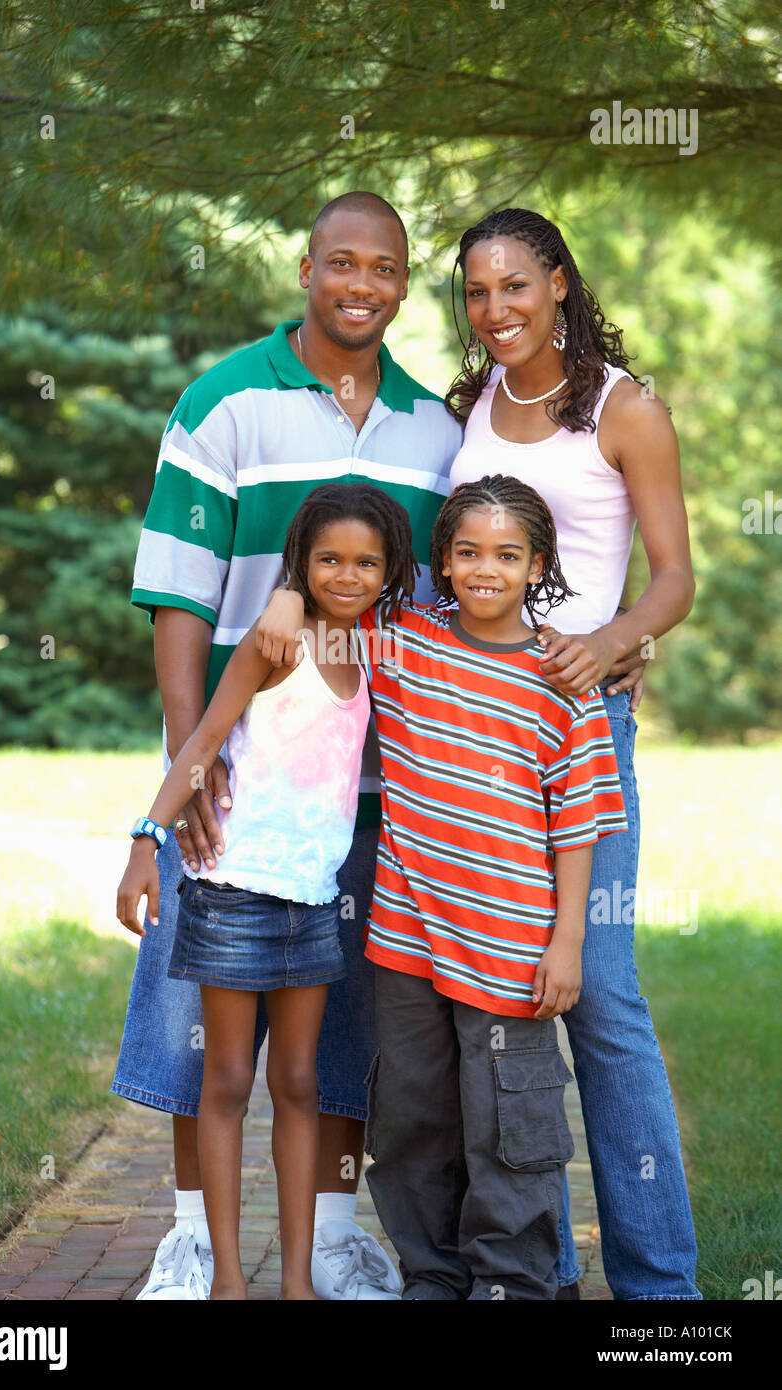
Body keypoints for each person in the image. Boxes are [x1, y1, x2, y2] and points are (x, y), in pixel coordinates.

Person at [110, 190, 464, 1299]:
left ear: (404, 285)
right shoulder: (225, 401)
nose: (361, 286)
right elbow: (178, 592)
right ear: (307, 269)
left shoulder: (433, 429)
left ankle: (336, 1234)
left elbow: (454, 599)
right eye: (341, 264)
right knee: (195, 1045)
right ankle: (190, 1239)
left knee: (339, 1041)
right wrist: (191, 759)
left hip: (369, 797)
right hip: (232, 778)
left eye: (385, 269)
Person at [446, 207, 700, 1300]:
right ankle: (532, 1272)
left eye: (513, 285)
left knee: (596, 993)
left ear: (555, 282)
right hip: (472, 731)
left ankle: (659, 1289)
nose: (494, 309)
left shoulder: (621, 410)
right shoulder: (475, 403)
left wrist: (611, 643)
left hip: (574, 726)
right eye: (473, 292)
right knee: (507, 992)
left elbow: (675, 576)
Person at [116, 484, 418, 1300]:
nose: (346, 576)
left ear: (390, 571)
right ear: (302, 564)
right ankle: (224, 1282)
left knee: (298, 1083)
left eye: (365, 562)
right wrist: (148, 842)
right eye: (328, 560)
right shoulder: (271, 645)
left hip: (314, 899)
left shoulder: (382, 652)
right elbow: (204, 742)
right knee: (224, 1083)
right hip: (232, 890)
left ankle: (295, 1284)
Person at [353, 474, 626, 1299]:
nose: (485, 569)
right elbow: (333, 598)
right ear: (441, 559)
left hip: (511, 953)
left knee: (513, 1131)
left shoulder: (562, 682)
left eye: (508, 555)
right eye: (467, 551)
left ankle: (512, 1282)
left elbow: (578, 825)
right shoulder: (401, 639)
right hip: (406, 942)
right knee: (410, 1125)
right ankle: (431, 1277)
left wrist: (567, 944)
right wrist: (294, 601)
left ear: (538, 563)